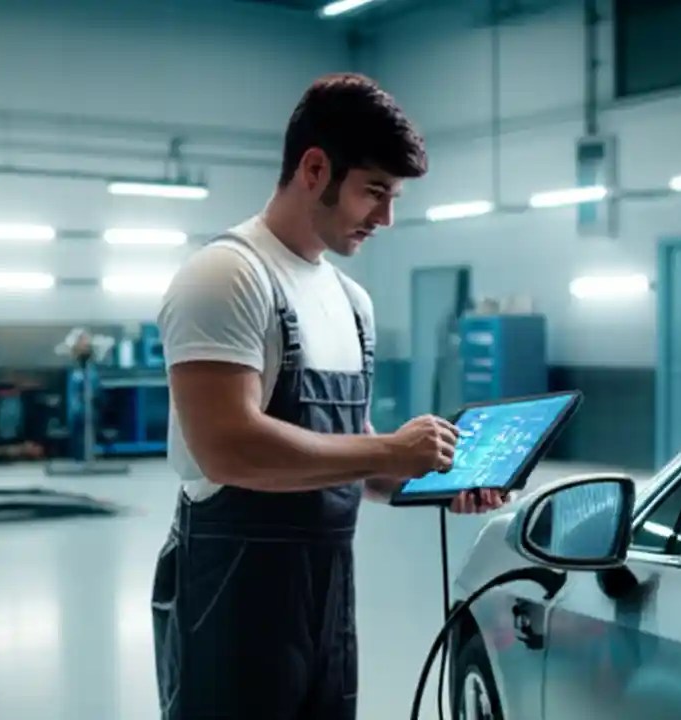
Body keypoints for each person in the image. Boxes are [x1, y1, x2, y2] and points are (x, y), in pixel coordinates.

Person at [151, 73, 505, 719]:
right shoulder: (227, 276)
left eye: (393, 197)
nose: (387, 218)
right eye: (375, 192)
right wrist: (389, 448)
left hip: (329, 592)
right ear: (315, 169)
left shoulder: (351, 302)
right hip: (232, 591)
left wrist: (429, 481)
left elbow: (351, 459)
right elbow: (228, 448)